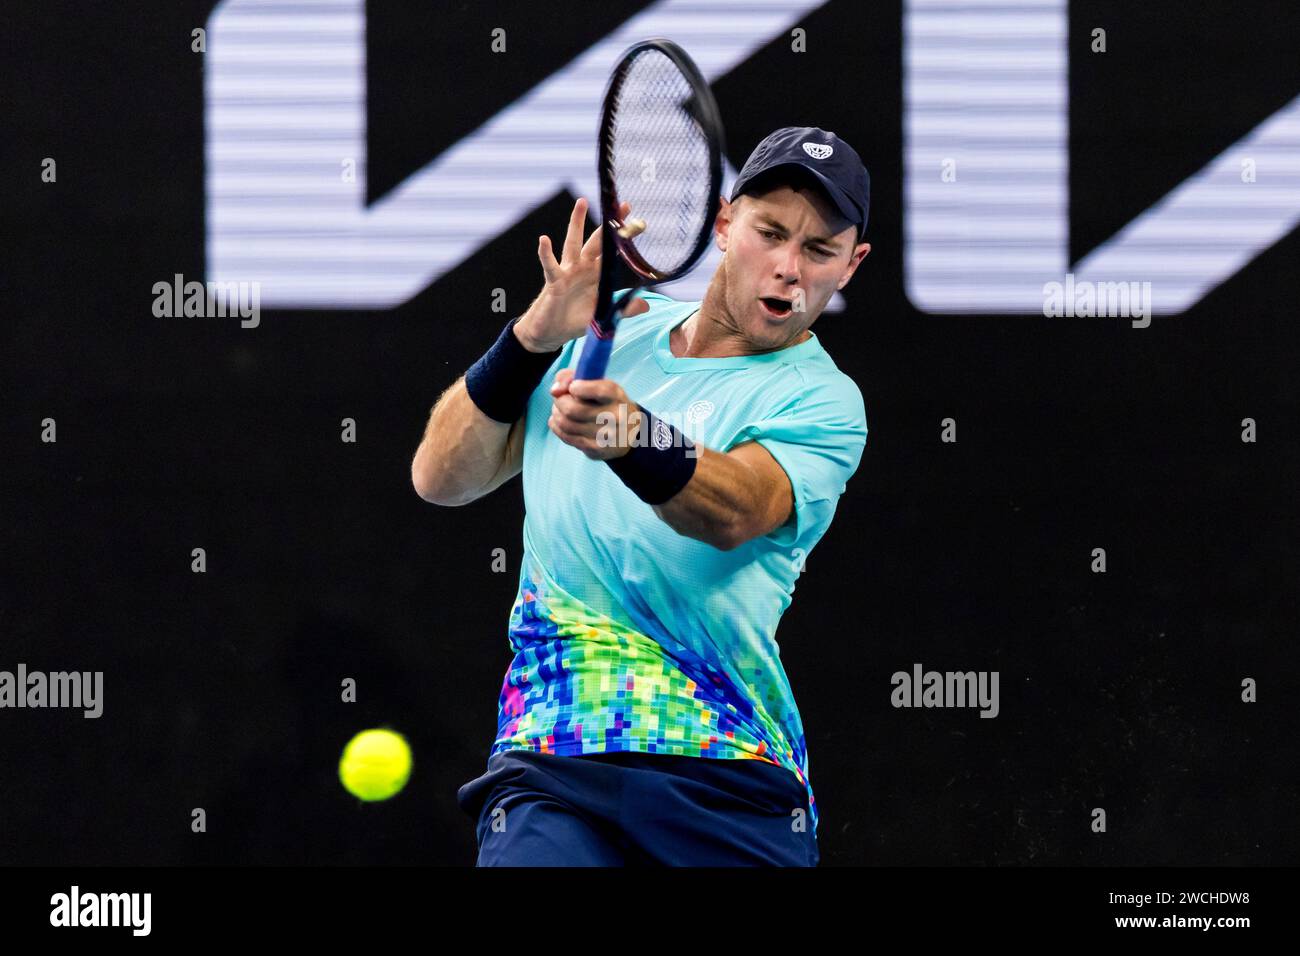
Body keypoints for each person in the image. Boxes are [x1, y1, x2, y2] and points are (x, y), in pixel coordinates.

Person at [411, 127, 872, 866]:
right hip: (555, 753)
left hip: (727, 773)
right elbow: (440, 477)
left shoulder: (823, 402)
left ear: (852, 265)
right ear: (726, 225)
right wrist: (533, 335)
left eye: (820, 250)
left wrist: (633, 437)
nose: (789, 268)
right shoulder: (609, 326)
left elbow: (739, 510)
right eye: (771, 232)